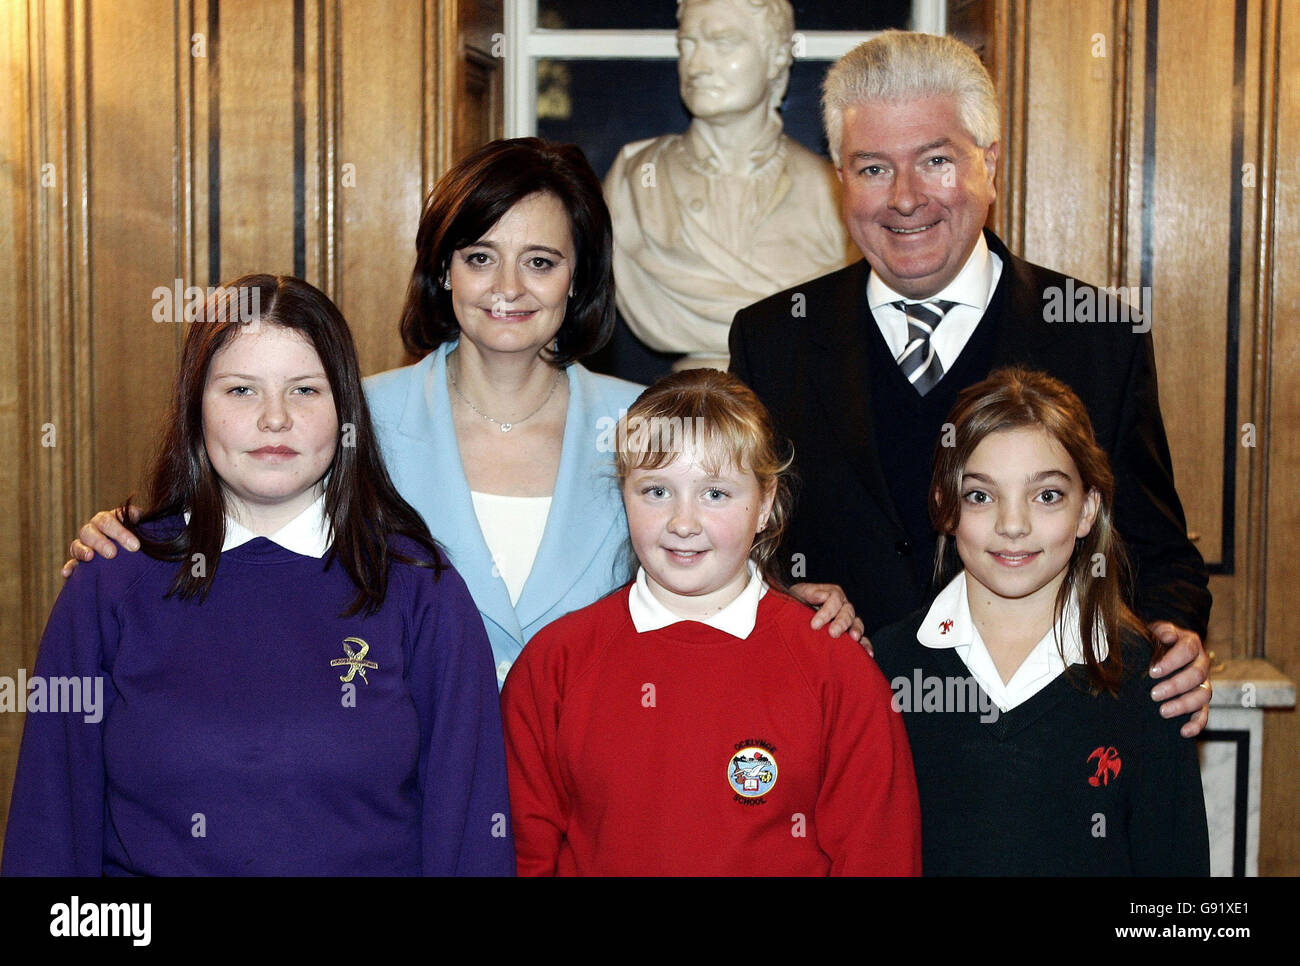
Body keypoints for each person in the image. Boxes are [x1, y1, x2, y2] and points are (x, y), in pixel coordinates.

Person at [66, 139, 866, 688]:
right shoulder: (353, 418)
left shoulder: (644, 427)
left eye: (541, 261)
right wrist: (132, 541)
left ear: (577, 280)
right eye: (479, 257)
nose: (507, 287)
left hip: (599, 789)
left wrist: (787, 595)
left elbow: (710, 559)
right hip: (404, 791)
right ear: (443, 273)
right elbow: (245, 524)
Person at [728, 30, 1214, 734]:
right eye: (872, 169)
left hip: (1039, 750)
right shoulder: (772, 339)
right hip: (832, 745)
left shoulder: (1098, 337)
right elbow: (735, 551)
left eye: (934, 160)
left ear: (989, 163)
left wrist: (1175, 639)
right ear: (841, 179)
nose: (904, 198)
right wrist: (774, 598)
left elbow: (1157, 552)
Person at [3, 275, 513, 876]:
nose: (275, 419)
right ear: (196, 406)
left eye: (304, 390)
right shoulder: (110, 581)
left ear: (345, 409)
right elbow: (50, 825)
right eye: (241, 390)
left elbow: (471, 831)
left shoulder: (419, 586)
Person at [501, 369, 921, 876]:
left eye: (715, 494)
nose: (683, 522)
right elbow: (520, 851)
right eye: (656, 491)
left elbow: (879, 854)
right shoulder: (555, 663)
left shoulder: (836, 669)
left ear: (765, 503)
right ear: (623, 492)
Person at [872, 367, 1209, 875]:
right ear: (945, 508)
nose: (1013, 524)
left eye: (1046, 495)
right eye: (980, 495)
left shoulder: (1149, 681)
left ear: (1087, 510)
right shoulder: (885, 666)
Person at [604, 0, 853, 369]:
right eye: (687, 44)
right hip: (688, 408)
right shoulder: (634, 180)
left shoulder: (833, 192)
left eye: (723, 42)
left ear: (776, 58)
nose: (698, 65)